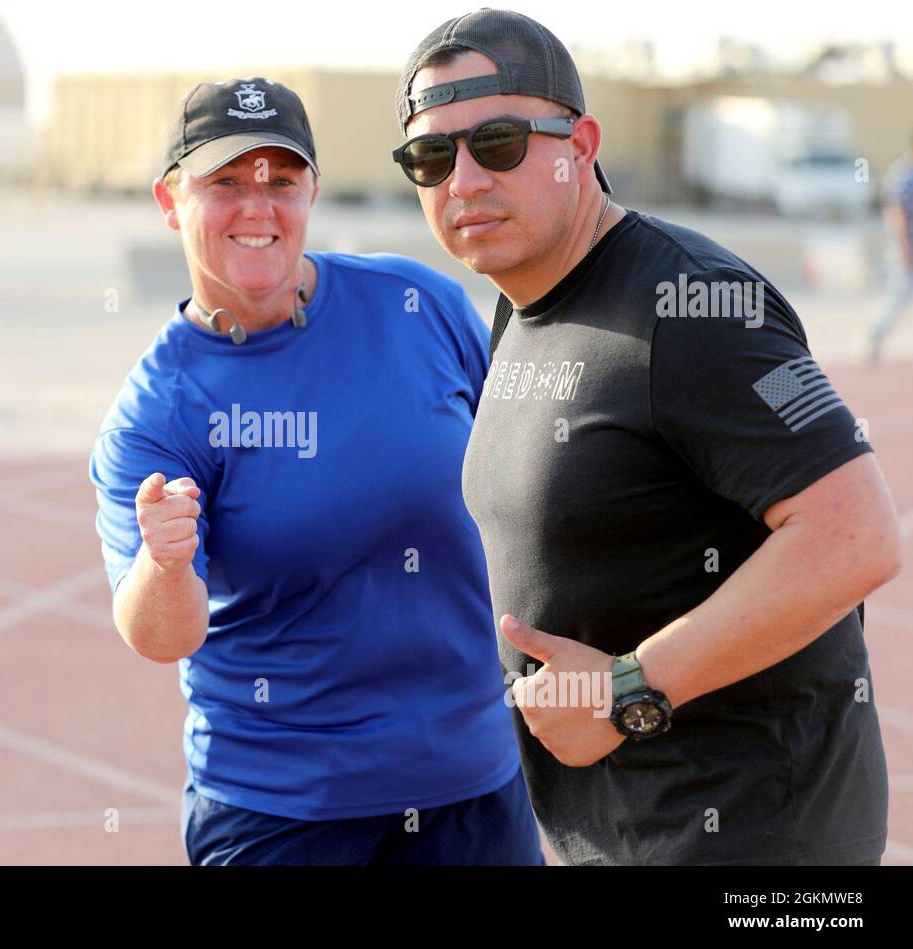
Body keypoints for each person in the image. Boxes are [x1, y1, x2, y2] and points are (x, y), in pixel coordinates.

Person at [392, 8, 902, 865]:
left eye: (503, 142)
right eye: (432, 157)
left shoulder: (694, 305)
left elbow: (855, 534)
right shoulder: (516, 308)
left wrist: (629, 690)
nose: (465, 179)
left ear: (581, 144)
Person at [89, 76, 543, 865]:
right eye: (225, 182)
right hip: (283, 809)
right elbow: (162, 636)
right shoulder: (158, 412)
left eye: (281, 182)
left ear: (313, 192)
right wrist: (164, 565)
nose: (257, 207)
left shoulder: (419, 306)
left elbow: (526, 474)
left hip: (472, 789)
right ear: (170, 201)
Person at [862, 130, 913, 363]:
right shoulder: (903, 175)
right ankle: (872, 339)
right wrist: (904, 249)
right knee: (897, 297)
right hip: (906, 248)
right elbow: (896, 214)